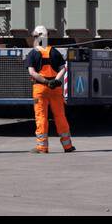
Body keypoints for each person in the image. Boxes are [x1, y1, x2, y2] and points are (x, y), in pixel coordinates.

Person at [26, 25, 74, 154]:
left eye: (35, 37)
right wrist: (56, 81)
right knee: (60, 116)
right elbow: (63, 68)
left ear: (38, 37)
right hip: (55, 89)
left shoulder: (33, 53)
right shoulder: (54, 52)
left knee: (41, 117)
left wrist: (46, 82)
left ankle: (42, 147)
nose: (34, 39)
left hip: (40, 88)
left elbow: (32, 72)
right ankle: (67, 146)